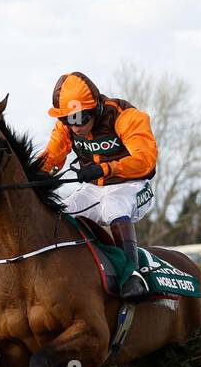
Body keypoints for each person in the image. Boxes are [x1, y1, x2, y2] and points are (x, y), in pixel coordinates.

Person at [39, 71, 158, 300]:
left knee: (113, 206)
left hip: (133, 185)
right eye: (67, 120)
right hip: (94, 189)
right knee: (58, 214)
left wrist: (107, 168)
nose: (75, 127)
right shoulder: (67, 127)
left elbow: (146, 161)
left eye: (81, 118)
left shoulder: (126, 116)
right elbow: (51, 158)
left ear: (95, 109)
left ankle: (133, 276)